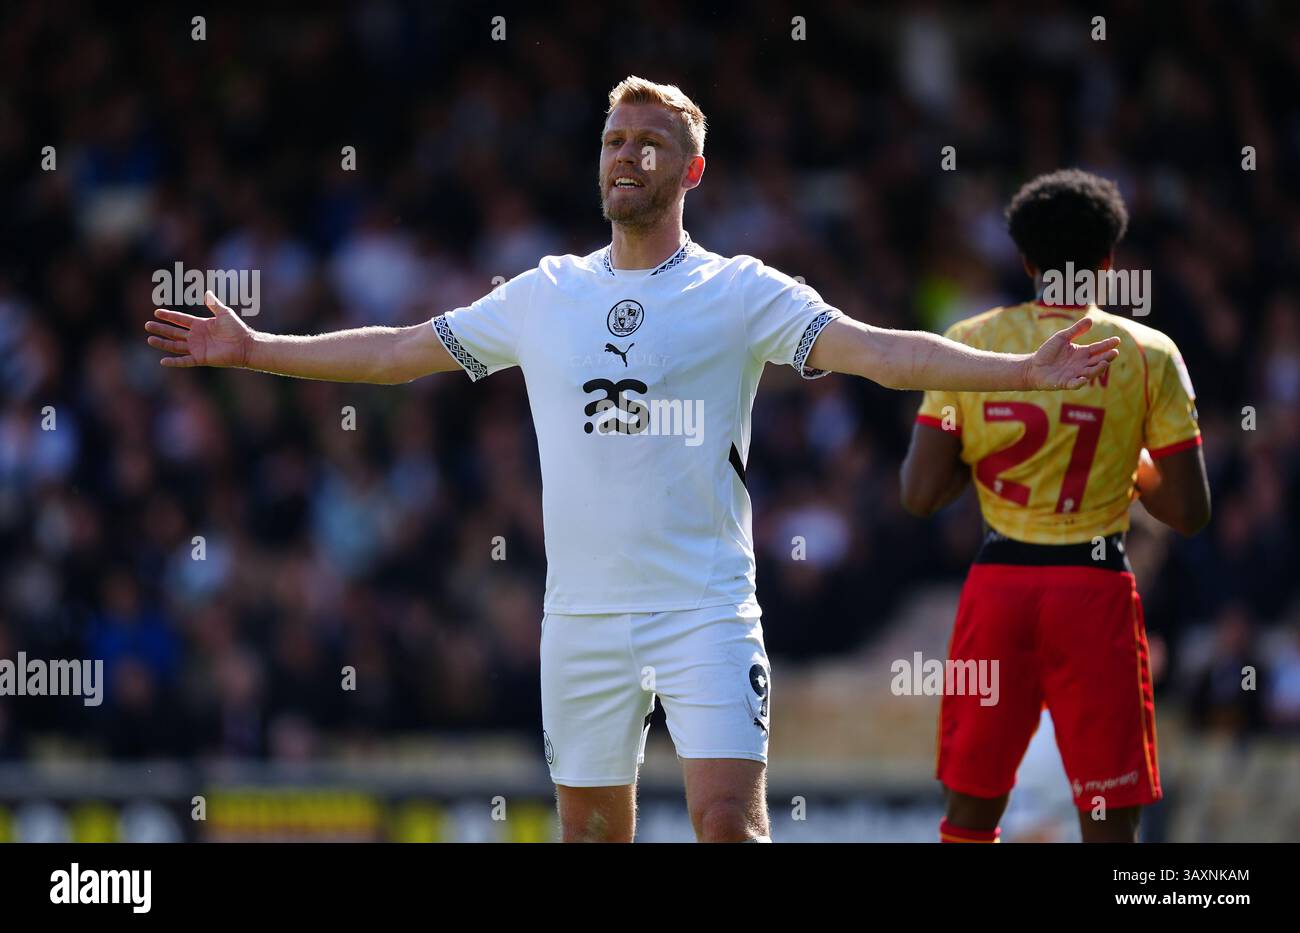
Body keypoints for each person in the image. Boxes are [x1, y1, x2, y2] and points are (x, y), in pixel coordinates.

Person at [146, 79, 1118, 842]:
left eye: (651, 141)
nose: (628, 153)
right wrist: (259, 349)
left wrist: (1025, 372)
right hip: (582, 615)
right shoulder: (544, 292)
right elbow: (401, 352)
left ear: (691, 172)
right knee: (591, 832)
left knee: (727, 824)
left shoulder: (739, 291)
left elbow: (878, 349)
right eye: (614, 139)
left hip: (703, 606)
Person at [900, 168, 1209, 843]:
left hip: (998, 586)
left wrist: (975, 455)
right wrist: (1131, 466)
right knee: (1108, 819)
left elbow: (919, 494)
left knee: (972, 809)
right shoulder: (1149, 353)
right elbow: (1189, 509)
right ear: (1107, 262)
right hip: (1093, 589)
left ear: (1025, 259)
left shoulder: (969, 341)